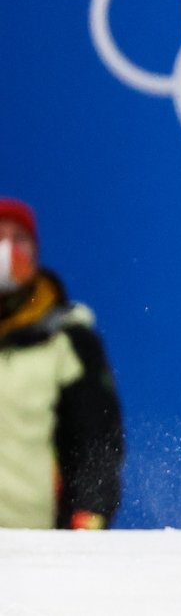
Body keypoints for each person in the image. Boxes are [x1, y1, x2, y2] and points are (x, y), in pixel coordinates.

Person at [0, 198, 124, 530]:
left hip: (41, 545)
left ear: (34, 252)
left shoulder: (67, 340)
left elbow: (96, 439)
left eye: (18, 239)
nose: (7, 251)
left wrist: (91, 512)